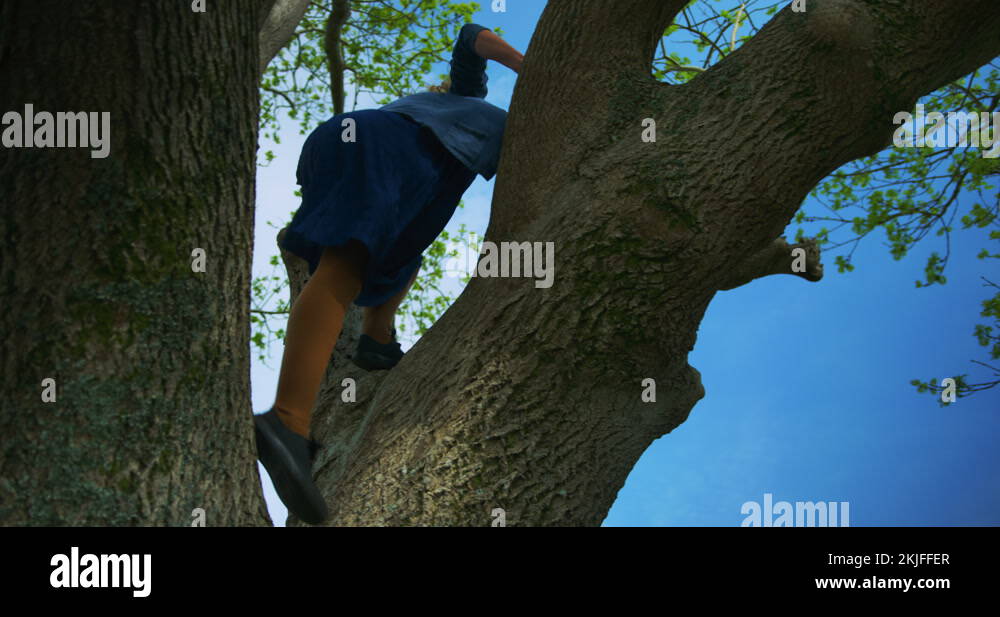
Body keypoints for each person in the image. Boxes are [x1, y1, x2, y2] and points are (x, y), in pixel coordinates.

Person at [254, 23, 524, 524]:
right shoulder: (454, 102)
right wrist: (528, 67)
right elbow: (471, 36)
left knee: (396, 258)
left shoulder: (451, 154)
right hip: (382, 144)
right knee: (347, 264)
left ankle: (377, 340)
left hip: (375, 157)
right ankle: (286, 421)